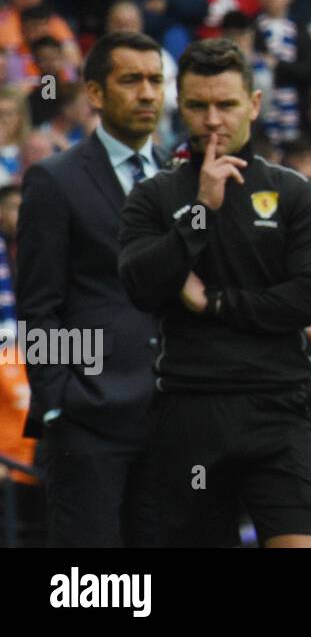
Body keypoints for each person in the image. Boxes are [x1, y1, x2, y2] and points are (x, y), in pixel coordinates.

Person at [117, 39, 311, 547]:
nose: (212, 119)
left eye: (227, 104)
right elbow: (140, 286)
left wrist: (215, 302)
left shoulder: (293, 193)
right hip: (189, 412)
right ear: (182, 106)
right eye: (198, 106)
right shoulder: (154, 196)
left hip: (277, 408)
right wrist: (200, 213)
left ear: (254, 105)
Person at [15, 31, 167, 547]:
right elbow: (39, 308)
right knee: (92, 590)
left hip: (174, 419)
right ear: (96, 94)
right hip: (90, 421)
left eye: (155, 81)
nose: (147, 93)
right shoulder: (55, 180)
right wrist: (60, 400)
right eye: (131, 80)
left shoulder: (186, 179)